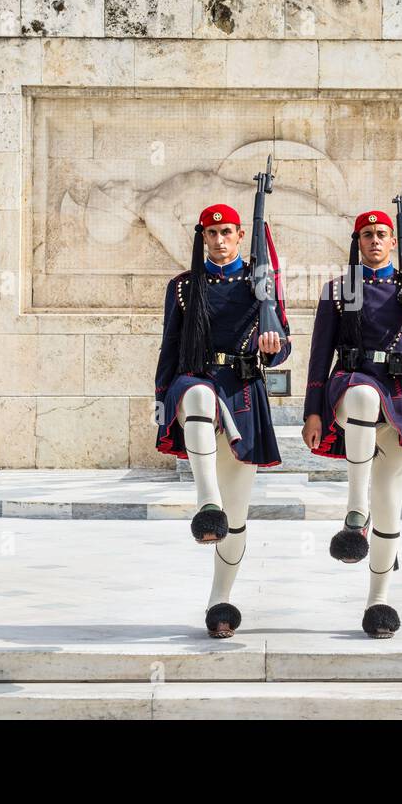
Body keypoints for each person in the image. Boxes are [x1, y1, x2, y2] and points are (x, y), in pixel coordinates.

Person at [301, 210, 402, 638]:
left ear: (393, 241)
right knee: (364, 397)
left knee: (390, 507)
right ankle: (354, 510)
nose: (375, 241)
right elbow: (319, 356)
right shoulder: (340, 289)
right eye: (366, 235)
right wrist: (313, 411)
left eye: (382, 234)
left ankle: (378, 602)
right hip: (353, 386)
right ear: (357, 242)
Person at [154, 203, 291, 638]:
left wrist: (273, 347)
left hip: (243, 391)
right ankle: (205, 503)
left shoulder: (260, 285)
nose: (219, 240)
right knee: (197, 393)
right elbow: (168, 350)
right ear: (202, 237)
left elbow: (282, 345)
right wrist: (161, 404)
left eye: (227, 232)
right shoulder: (182, 287)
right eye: (211, 234)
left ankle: (220, 600)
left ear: (238, 236)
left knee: (238, 514)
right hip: (195, 379)